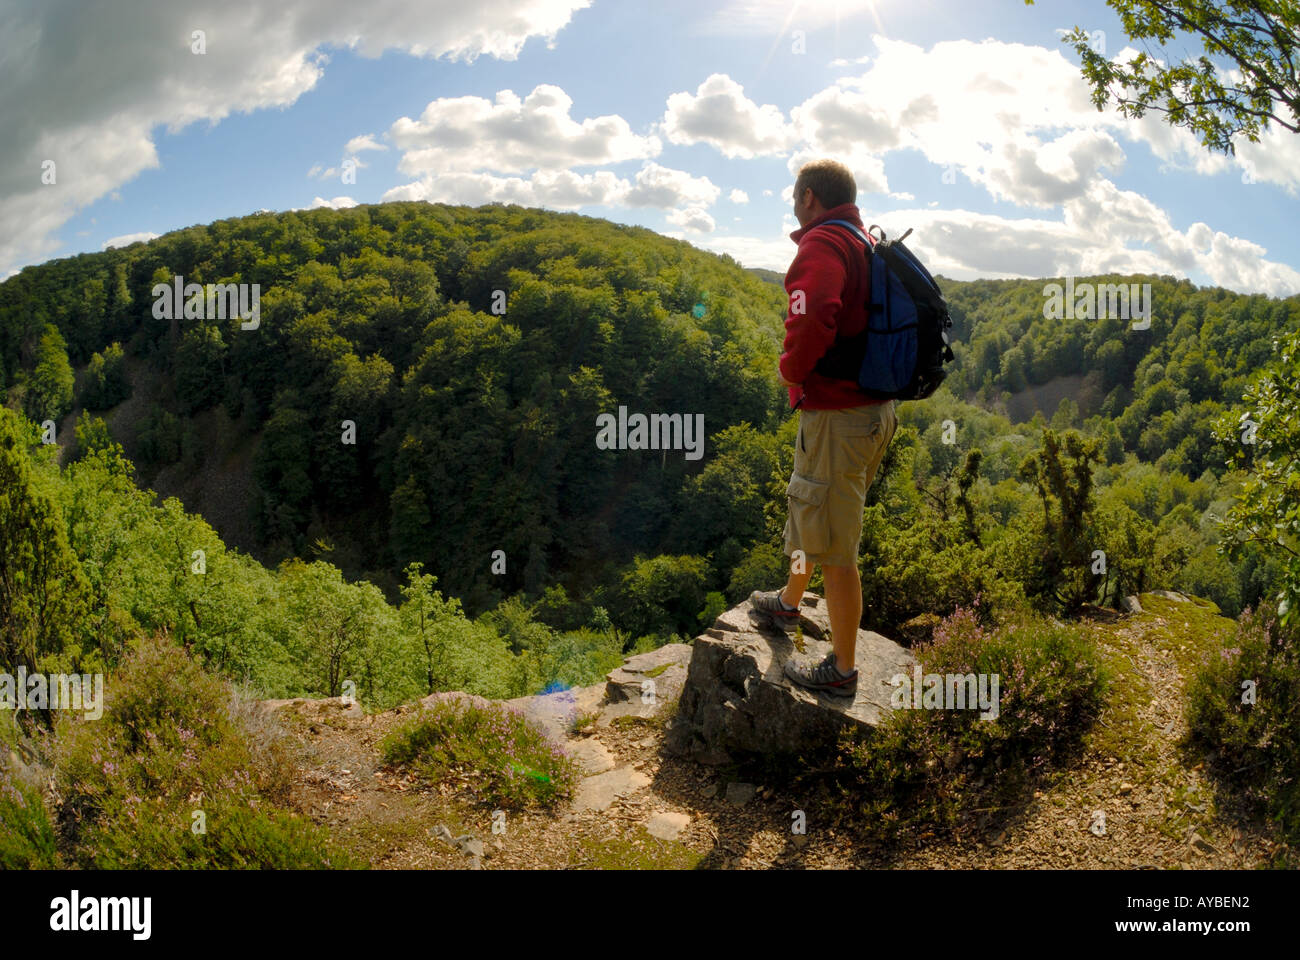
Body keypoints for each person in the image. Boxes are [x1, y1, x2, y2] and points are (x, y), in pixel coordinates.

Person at [749, 158, 897, 697]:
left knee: (834, 545)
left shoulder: (822, 244)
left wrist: (790, 369)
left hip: (839, 415)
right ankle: (789, 604)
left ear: (809, 196)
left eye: (794, 193)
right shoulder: (862, 240)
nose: (792, 201)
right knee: (810, 512)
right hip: (871, 410)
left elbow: (812, 319)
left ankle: (842, 670)